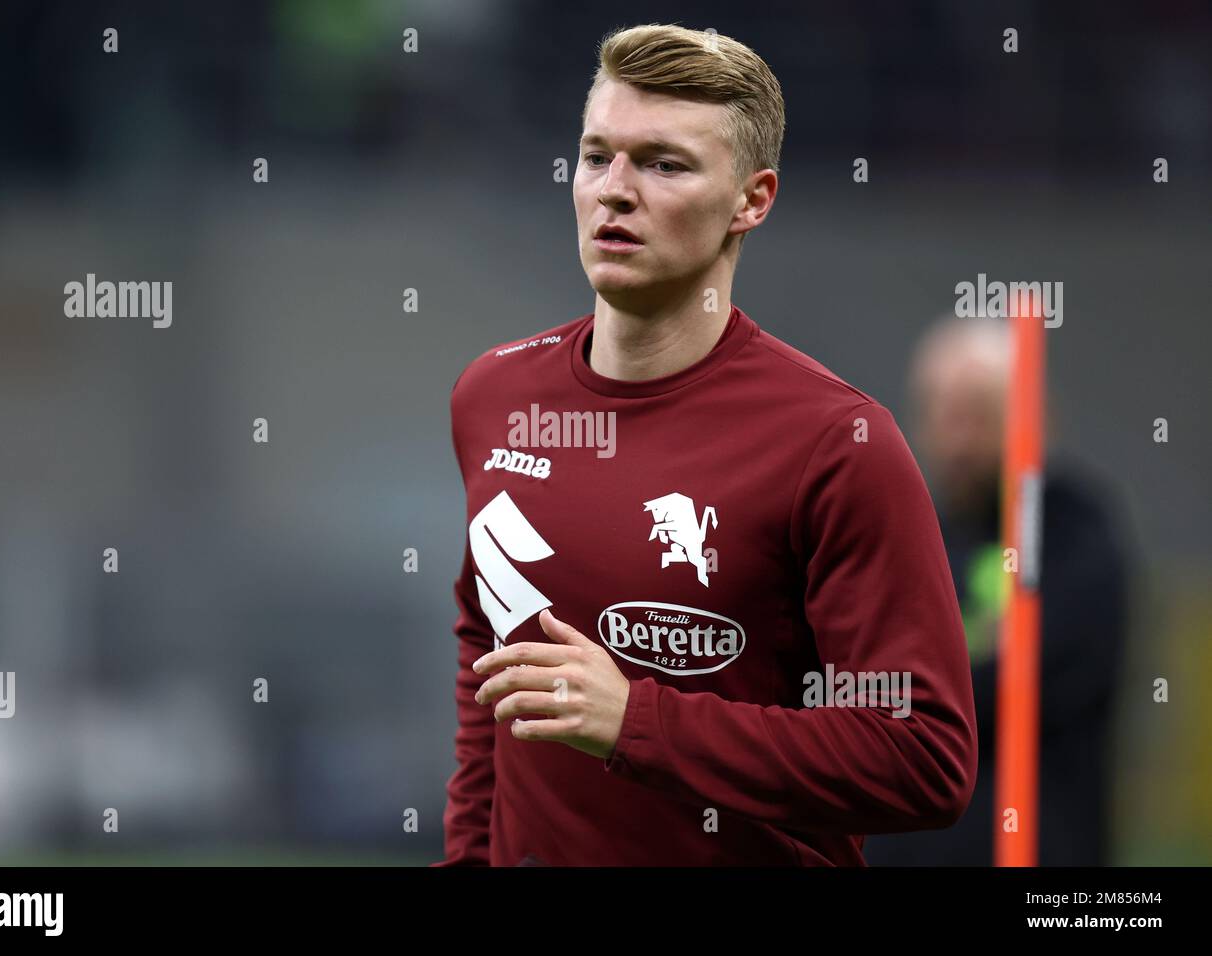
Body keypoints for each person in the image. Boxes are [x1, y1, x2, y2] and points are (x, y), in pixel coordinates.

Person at [434, 23, 977, 866]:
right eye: (595, 156)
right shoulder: (493, 398)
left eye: (663, 164)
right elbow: (487, 670)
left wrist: (637, 723)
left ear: (751, 200)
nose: (614, 191)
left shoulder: (837, 444)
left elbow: (923, 759)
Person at [865, 317, 1129, 865]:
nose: (957, 436)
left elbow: (1034, 671)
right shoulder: (916, 536)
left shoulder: (1070, 532)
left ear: (1035, 414)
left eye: (977, 413)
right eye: (940, 411)